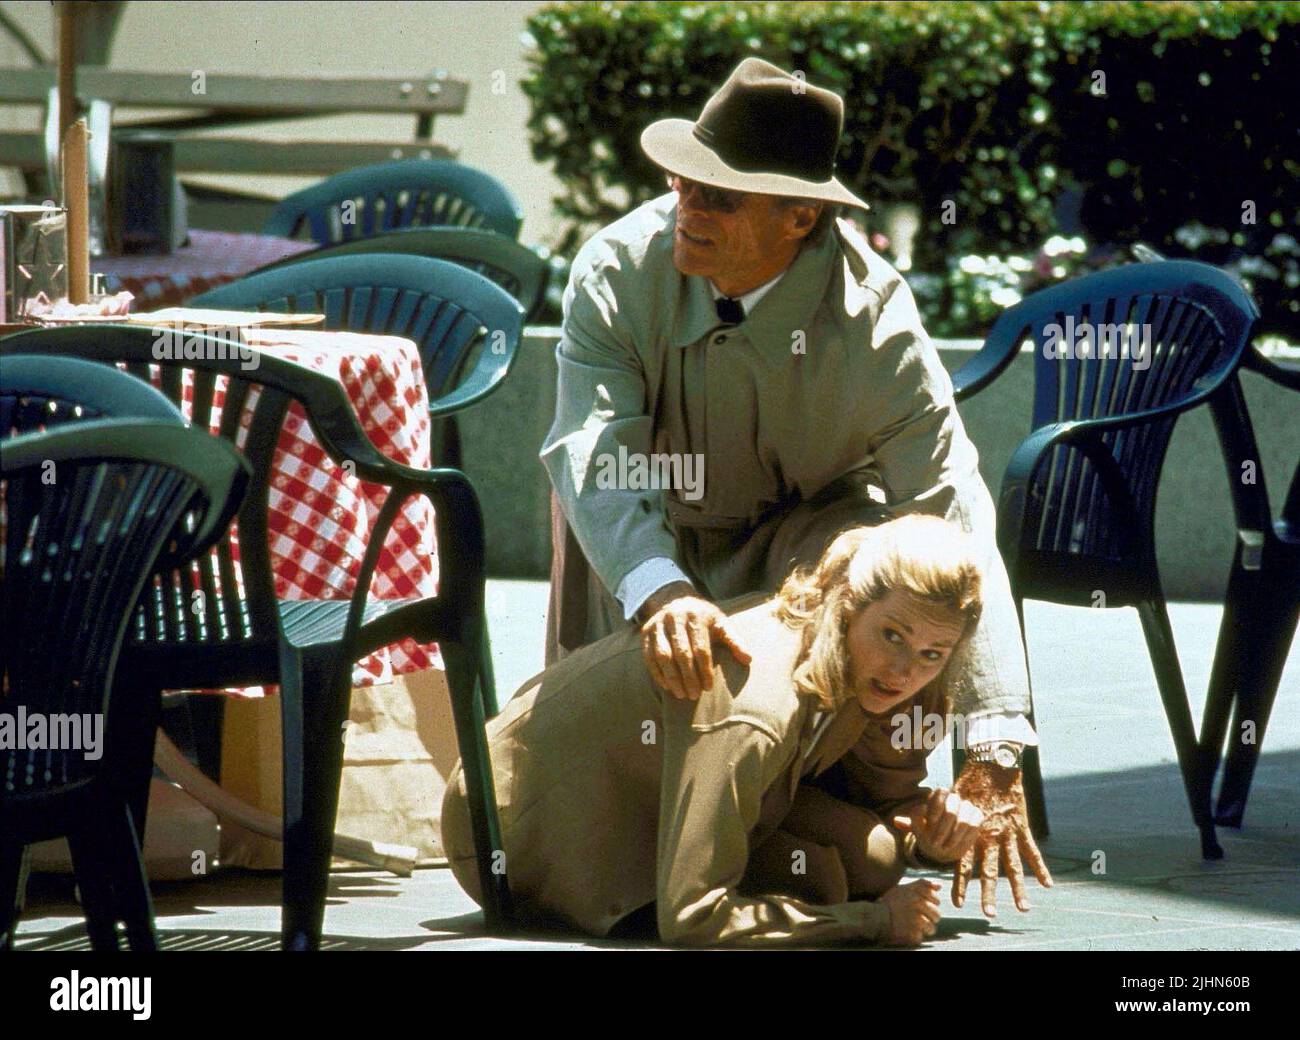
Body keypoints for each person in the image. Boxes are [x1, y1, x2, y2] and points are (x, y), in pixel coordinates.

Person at [539, 56, 1051, 914]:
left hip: (808, 542)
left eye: (721, 196)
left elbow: (953, 513)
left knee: (892, 570)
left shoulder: (876, 321)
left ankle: (865, 796)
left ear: (801, 216)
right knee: (627, 752)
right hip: (647, 531)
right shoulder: (617, 270)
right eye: (683, 181)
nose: (686, 209)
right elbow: (594, 448)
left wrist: (994, 744)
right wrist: (659, 588)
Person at [443, 516, 1045, 946]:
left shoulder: (864, 666)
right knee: (836, 887)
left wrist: (934, 840)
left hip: (632, 791)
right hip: (506, 836)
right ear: (848, 603)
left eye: (933, 654)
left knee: (877, 858)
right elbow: (694, 917)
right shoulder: (758, 704)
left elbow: (890, 809)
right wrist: (869, 926)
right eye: (892, 636)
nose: (905, 670)